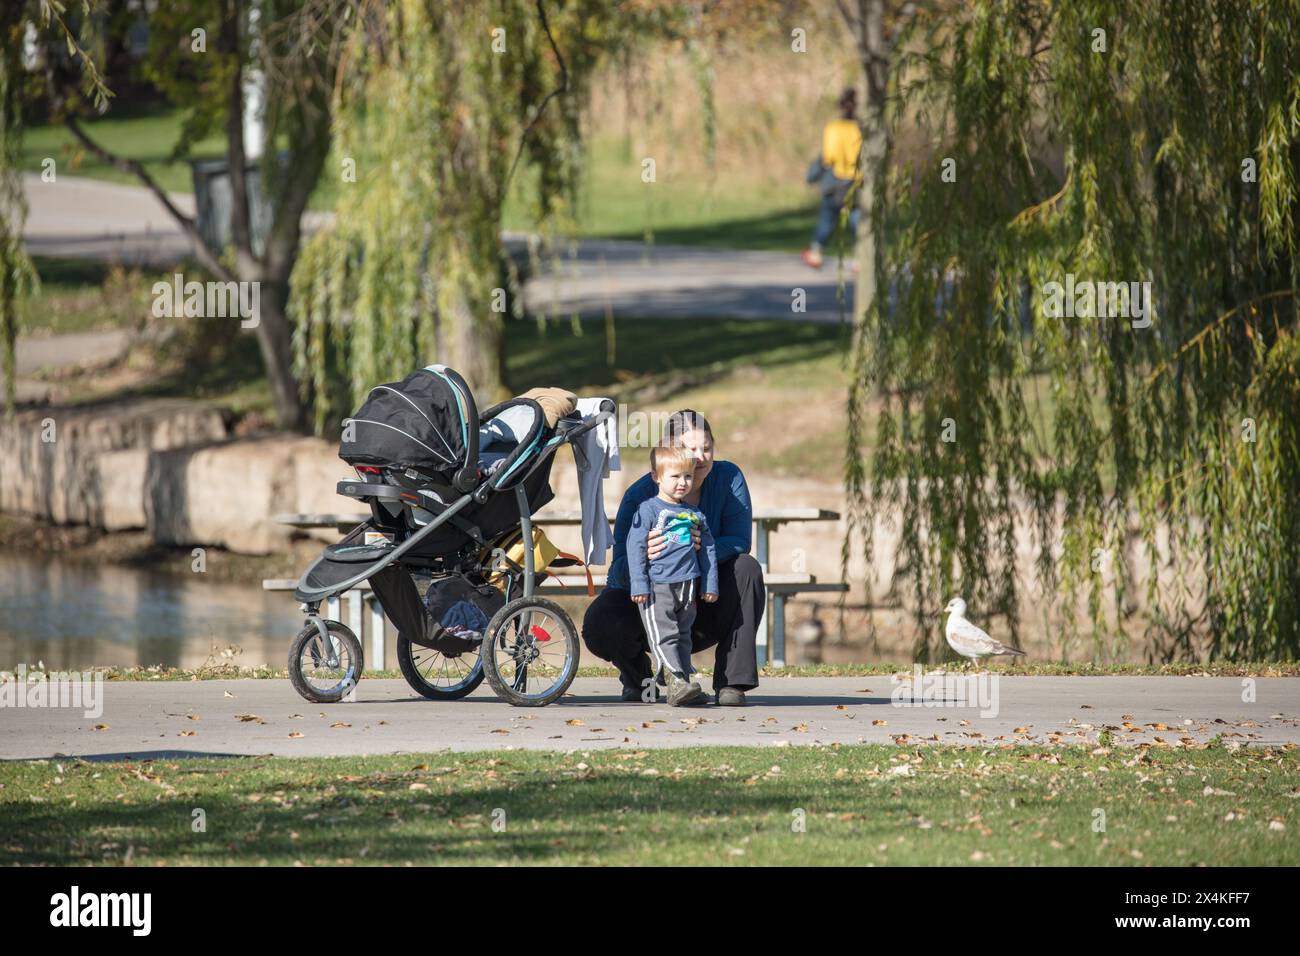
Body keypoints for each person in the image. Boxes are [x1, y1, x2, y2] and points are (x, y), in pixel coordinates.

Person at [582, 410, 765, 706]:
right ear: (668, 449)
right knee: (601, 622)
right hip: (654, 602)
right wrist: (645, 556)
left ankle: (732, 682)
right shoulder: (640, 495)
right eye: (689, 449)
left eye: (706, 447)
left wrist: (697, 551)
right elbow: (618, 572)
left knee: (747, 569)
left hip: (704, 599)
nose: (700, 457)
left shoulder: (729, 477)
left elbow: (740, 541)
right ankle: (638, 678)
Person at [627, 444, 719, 706]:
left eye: (688, 476)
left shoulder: (694, 514)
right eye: (675, 476)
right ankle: (676, 681)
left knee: (683, 636)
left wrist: (709, 583)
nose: (682, 483)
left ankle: (682, 681)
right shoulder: (648, 510)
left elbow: (708, 547)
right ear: (657, 477)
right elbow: (635, 547)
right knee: (663, 634)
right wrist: (639, 583)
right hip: (658, 587)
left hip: (687, 586)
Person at [801, 87, 862, 270]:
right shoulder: (861, 128)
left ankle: (816, 253)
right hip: (857, 181)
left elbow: (828, 157)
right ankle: (861, 257)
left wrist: (814, 174)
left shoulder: (834, 128)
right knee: (857, 219)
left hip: (835, 181)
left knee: (827, 218)